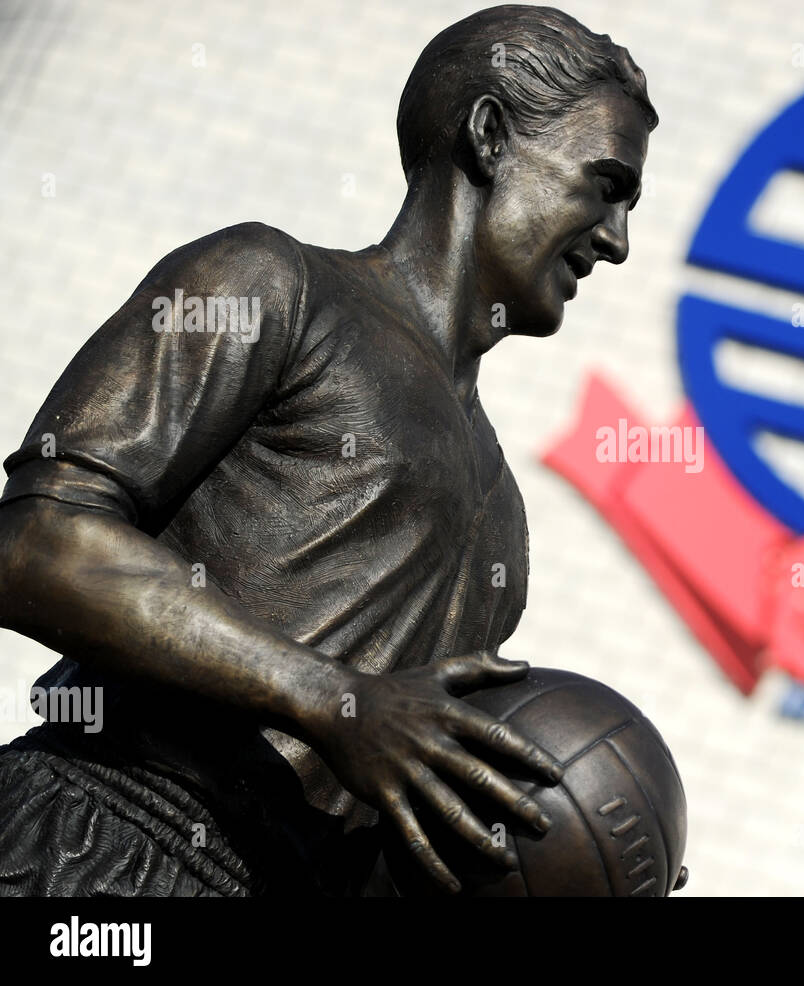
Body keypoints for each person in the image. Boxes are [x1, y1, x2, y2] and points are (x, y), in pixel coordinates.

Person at [0, 4, 655, 896]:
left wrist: (561, 863)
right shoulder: (271, 286)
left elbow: (380, 807)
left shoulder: (503, 516)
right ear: (492, 136)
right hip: (94, 845)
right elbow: (35, 546)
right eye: (604, 185)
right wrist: (332, 699)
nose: (618, 243)